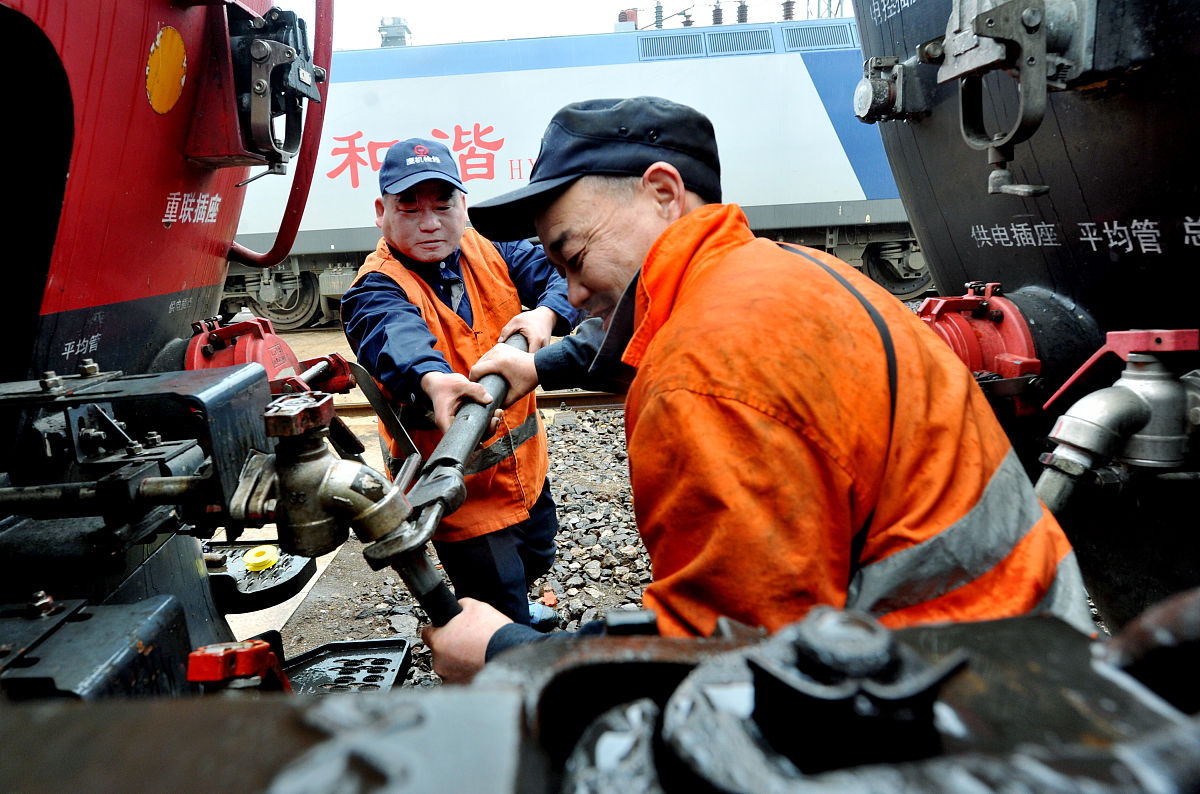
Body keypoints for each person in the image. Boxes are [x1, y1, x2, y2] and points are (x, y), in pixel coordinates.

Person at [419, 97, 1095, 682]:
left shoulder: (705, 374)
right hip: (1023, 638)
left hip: (956, 702)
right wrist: (542, 364)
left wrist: (509, 653)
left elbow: (731, 667)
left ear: (662, 192)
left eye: (573, 255)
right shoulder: (773, 272)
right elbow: (651, 325)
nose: (570, 291)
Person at [341, 137, 581, 627]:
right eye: (409, 207)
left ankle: (515, 607)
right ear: (380, 212)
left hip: (525, 471)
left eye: (442, 205)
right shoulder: (375, 287)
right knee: (496, 601)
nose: (430, 223)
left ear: (463, 205)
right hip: (461, 497)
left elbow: (563, 274)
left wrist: (546, 313)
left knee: (538, 556)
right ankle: (499, 658)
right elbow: (394, 337)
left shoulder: (489, 246)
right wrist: (432, 379)